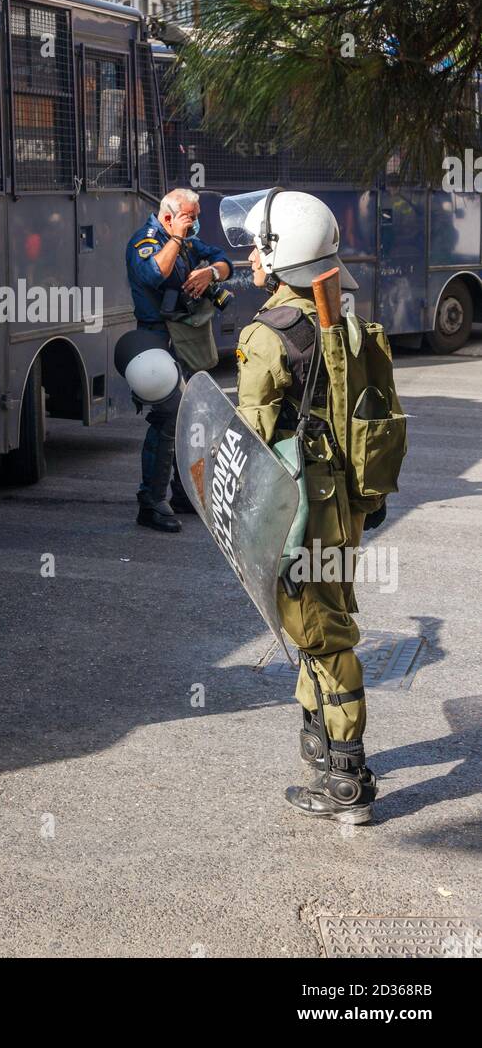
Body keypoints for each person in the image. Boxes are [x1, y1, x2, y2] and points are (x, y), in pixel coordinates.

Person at [224, 187, 397, 824]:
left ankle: (347, 781)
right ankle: (321, 742)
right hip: (343, 502)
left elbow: (252, 441)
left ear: (280, 253)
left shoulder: (267, 337)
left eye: (256, 245)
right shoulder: (341, 319)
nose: (248, 255)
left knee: (322, 633)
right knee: (320, 616)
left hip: (300, 510)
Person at [124, 188, 233, 531]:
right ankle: (151, 502)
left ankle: (184, 493)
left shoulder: (186, 239)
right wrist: (175, 237)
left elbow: (223, 258)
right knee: (167, 416)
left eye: (197, 216)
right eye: (191, 217)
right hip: (154, 341)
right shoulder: (146, 241)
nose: (196, 223)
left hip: (182, 339)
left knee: (189, 415)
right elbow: (154, 274)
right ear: (169, 217)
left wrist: (209, 274)